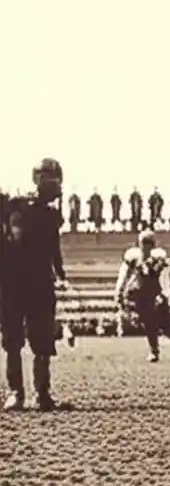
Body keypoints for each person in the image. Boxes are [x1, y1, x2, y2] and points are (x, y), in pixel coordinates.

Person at [0, 158, 70, 411]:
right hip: (12, 281)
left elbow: (53, 247)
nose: (54, 183)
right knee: (13, 340)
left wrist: (60, 273)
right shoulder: (14, 205)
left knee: (42, 340)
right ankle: (17, 392)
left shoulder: (52, 215)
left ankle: (42, 393)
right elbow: (15, 237)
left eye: (56, 178)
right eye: (48, 177)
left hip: (40, 283)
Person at [114, 230, 170, 363]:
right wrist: (119, 291)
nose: (146, 246)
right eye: (144, 243)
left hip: (156, 294)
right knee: (149, 324)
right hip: (141, 295)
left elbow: (165, 278)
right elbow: (124, 275)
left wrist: (165, 295)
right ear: (139, 243)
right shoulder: (134, 258)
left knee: (165, 326)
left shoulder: (159, 259)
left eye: (149, 243)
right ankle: (154, 351)